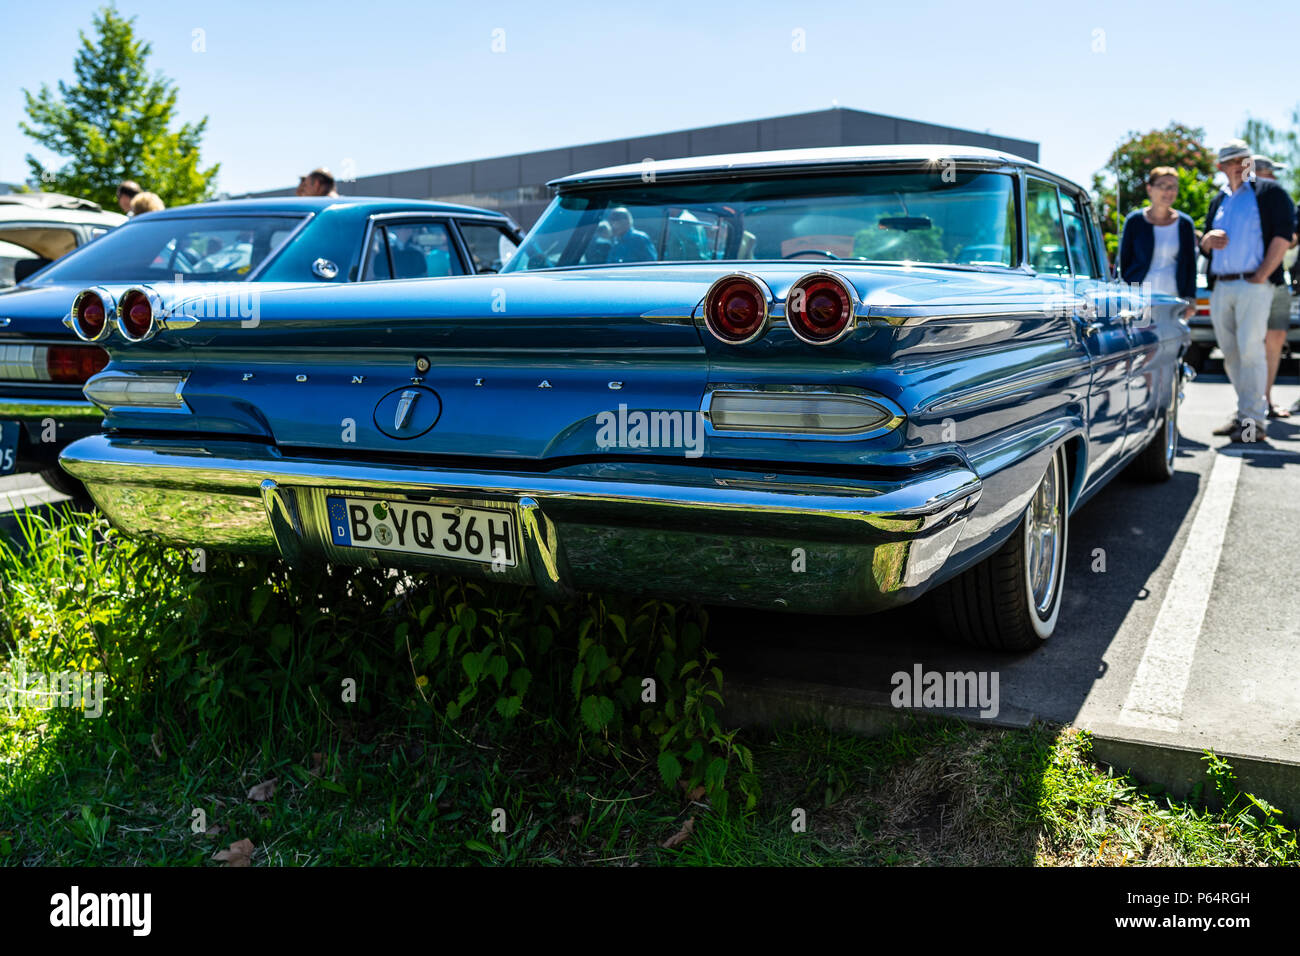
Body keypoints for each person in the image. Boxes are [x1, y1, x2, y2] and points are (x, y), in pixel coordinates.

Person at [1200, 140, 1296, 442]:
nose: (1241, 165)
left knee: (1251, 350)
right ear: (1221, 167)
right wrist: (1206, 241)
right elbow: (1204, 244)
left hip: (1254, 284)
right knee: (1231, 354)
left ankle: (1254, 424)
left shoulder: (1270, 193)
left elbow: (1283, 236)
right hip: (1221, 285)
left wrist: (1262, 275)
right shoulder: (1219, 200)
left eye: (1245, 159)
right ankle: (1245, 414)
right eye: (1233, 160)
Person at [1117, 166, 1197, 315]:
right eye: (1162, 186)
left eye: (1173, 187)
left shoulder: (1185, 223)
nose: (1169, 191)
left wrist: (1190, 300)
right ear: (1149, 189)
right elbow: (1123, 261)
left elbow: (1190, 266)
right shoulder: (1134, 221)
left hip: (1173, 298)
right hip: (1138, 298)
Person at [1252, 156, 1296, 418]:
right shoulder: (1235, 201)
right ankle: (1249, 406)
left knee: (1274, 340)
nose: (1275, 177)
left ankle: (1265, 400)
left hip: (1277, 282)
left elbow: (1290, 239)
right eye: (1270, 172)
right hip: (1246, 284)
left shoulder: (1281, 199)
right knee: (1248, 344)